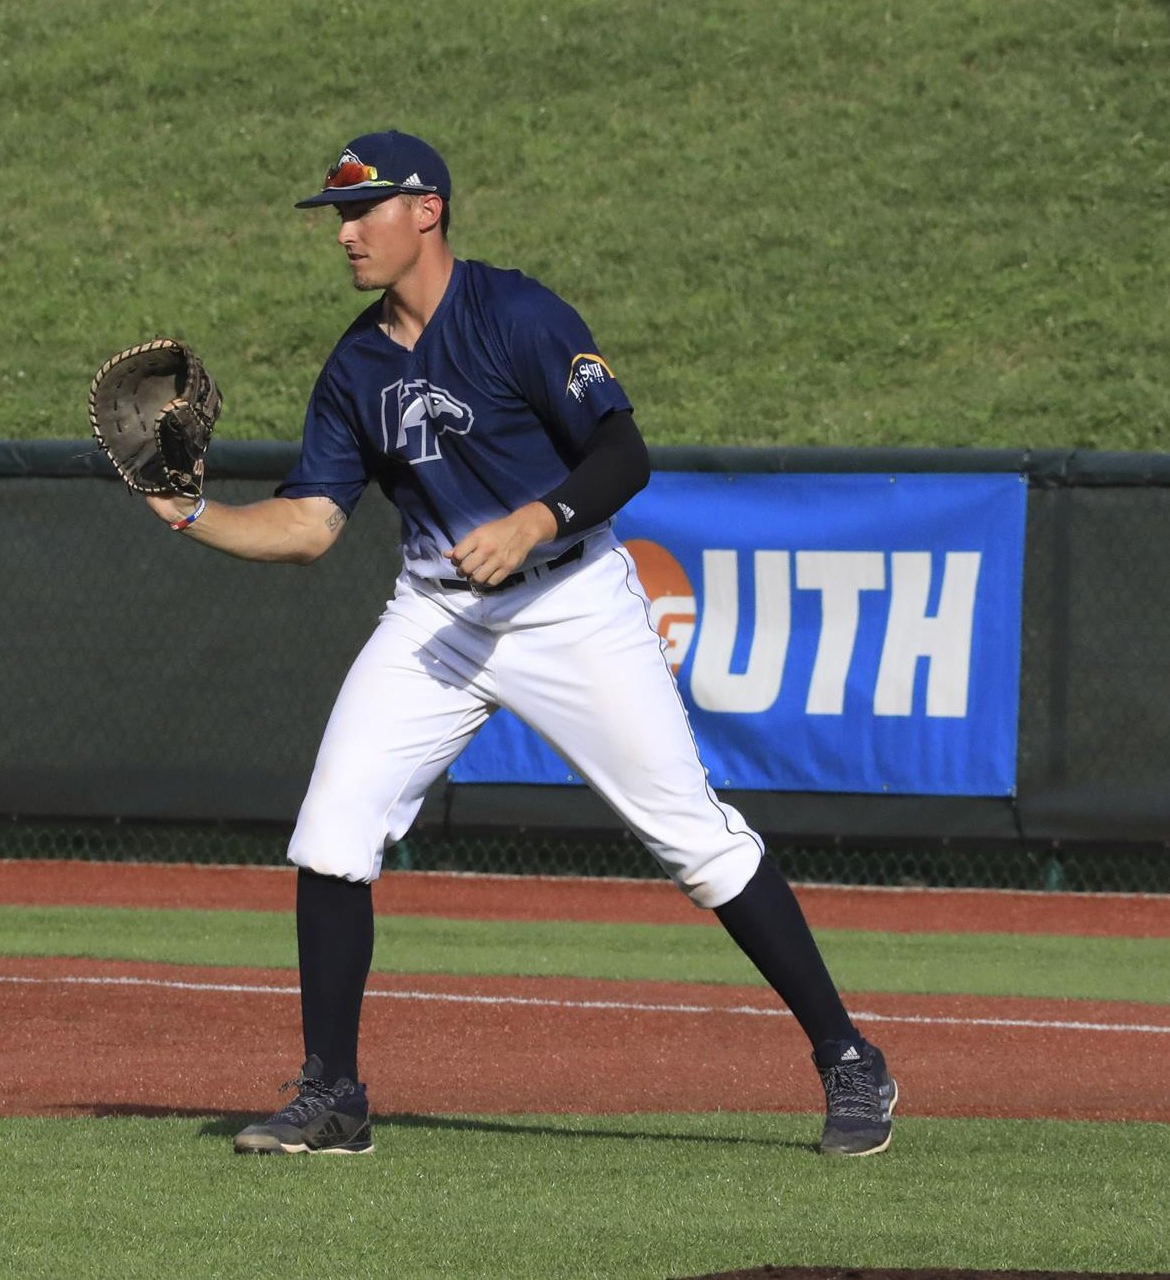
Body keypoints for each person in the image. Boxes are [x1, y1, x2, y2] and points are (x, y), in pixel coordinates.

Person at [144, 130, 897, 1157]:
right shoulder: (357, 365)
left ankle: (849, 1057)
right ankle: (334, 1093)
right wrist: (193, 514)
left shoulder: (517, 315)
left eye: (365, 211)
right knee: (333, 827)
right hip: (438, 616)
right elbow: (313, 524)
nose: (347, 233)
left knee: (695, 840)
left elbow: (623, 450)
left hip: (572, 600)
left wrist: (539, 519)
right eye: (336, 216)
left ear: (429, 211)